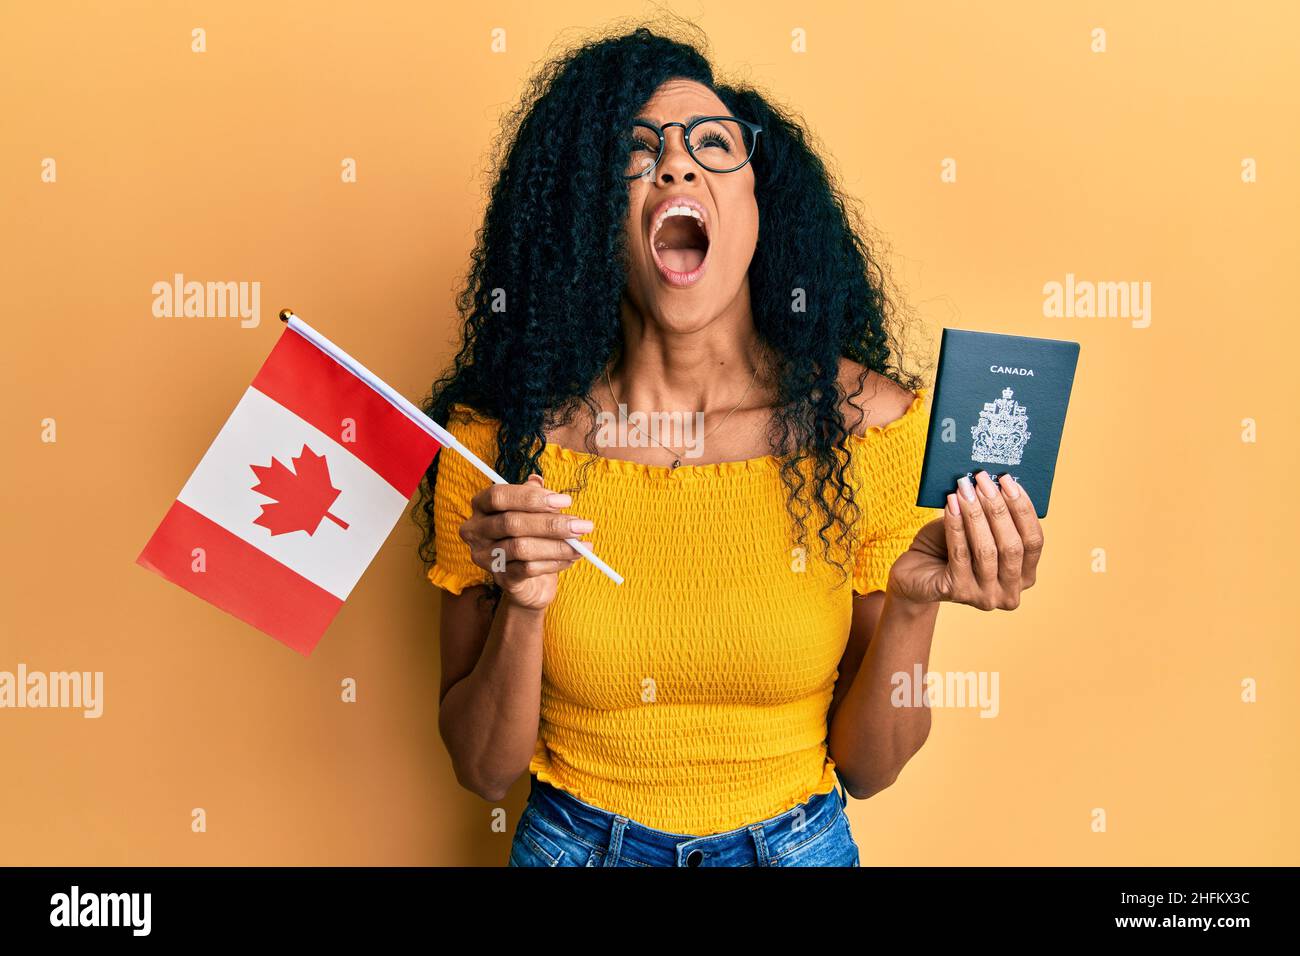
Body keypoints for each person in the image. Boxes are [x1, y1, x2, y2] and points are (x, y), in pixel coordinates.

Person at [414, 23, 1043, 867]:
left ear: (758, 204)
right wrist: (524, 608)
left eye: (713, 145)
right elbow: (483, 771)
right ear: (589, 218)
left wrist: (914, 603)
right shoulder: (501, 445)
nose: (677, 166)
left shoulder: (871, 430)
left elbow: (870, 767)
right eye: (636, 154)